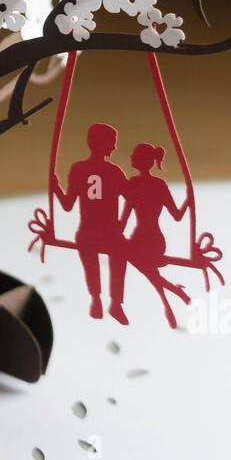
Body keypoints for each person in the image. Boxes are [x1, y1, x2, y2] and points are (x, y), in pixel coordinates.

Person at [52, 123, 129, 323]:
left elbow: (67, 205)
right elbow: (132, 198)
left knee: (91, 256)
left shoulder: (79, 169)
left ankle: (97, 299)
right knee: (119, 256)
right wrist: (122, 222)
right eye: (113, 143)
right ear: (102, 144)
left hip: (88, 233)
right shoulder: (114, 171)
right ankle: (115, 303)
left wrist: (57, 188)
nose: (115, 147)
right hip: (108, 233)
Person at [118, 142, 192, 328]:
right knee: (150, 272)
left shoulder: (134, 184)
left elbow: (124, 220)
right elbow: (177, 215)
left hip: (142, 239)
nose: (130, 157)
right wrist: (187, 202)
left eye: (134, 155)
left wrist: (109, 234)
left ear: (141, 160)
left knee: (147, 270)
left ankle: (172, 296)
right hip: (155, 240)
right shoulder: (159, 185)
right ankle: (172, 297)